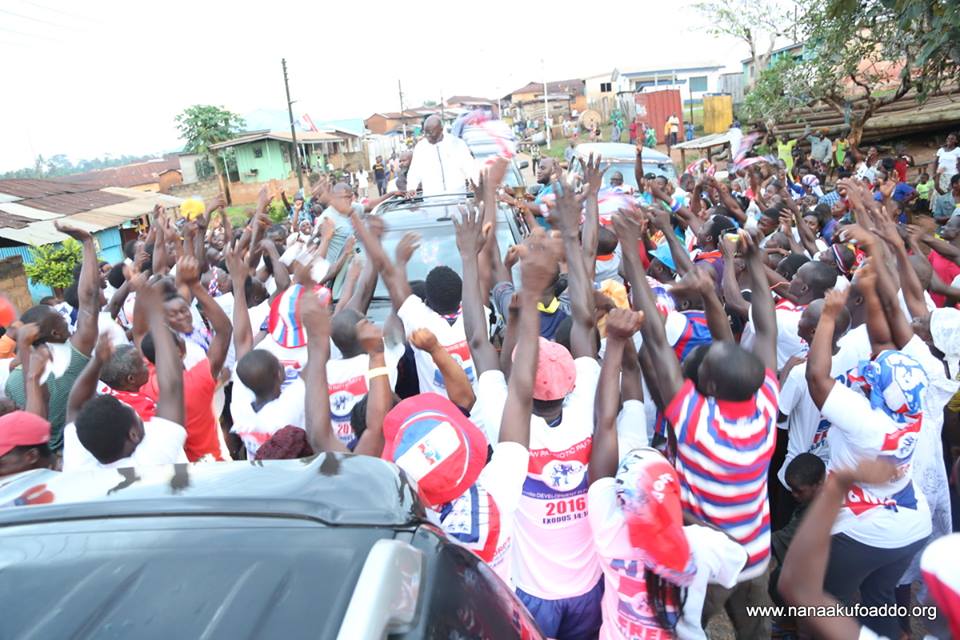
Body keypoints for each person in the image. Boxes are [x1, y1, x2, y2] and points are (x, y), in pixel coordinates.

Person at [615, 213, 779, 638]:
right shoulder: (765, 403)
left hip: (705, 558)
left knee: (689, 625)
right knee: (755, 629)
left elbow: (654, 334)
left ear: (704, 385)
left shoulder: (696, 424)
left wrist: (633, 255)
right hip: (755, 553)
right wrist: (755, 260)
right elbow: (766, 326)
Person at [588, 307, 748, 640]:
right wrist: (679, 515)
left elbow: (603, 426)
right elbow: (737, 558)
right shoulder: (702, 545)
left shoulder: (609, 529)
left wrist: (616, 342)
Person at [805, 287, 932, 639]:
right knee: (878, 598)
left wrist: (829, 316)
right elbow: (884, 349)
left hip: (866, 528)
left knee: (825, 604)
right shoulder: (912, 408)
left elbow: (817, 378)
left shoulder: (867, 421)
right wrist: (875, 296)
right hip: (910, 523)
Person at [61, 279, 187, 471]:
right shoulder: (154, 457)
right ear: (134, 435)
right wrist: (155, 313)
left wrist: (97, 362)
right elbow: (172, 386)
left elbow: (75, 406)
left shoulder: (78, 466)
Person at [4, 223, 100, 451]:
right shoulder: (72, 357)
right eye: (62, 320)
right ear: (56, 333)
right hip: (93, 451)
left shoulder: (14, 381)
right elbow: (89, 300)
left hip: (53, 464)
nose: (68, 321)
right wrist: (87, 242)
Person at [405, 115, 477, 196]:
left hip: (457, 195)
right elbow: (414, 171)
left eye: (431, 133)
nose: (428, 136)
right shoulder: (421, 147)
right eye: (426, 132)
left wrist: (474, 181)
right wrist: (411, 187)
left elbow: (469, 165)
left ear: (441, 130)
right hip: (432, 198)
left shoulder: (457, 143)